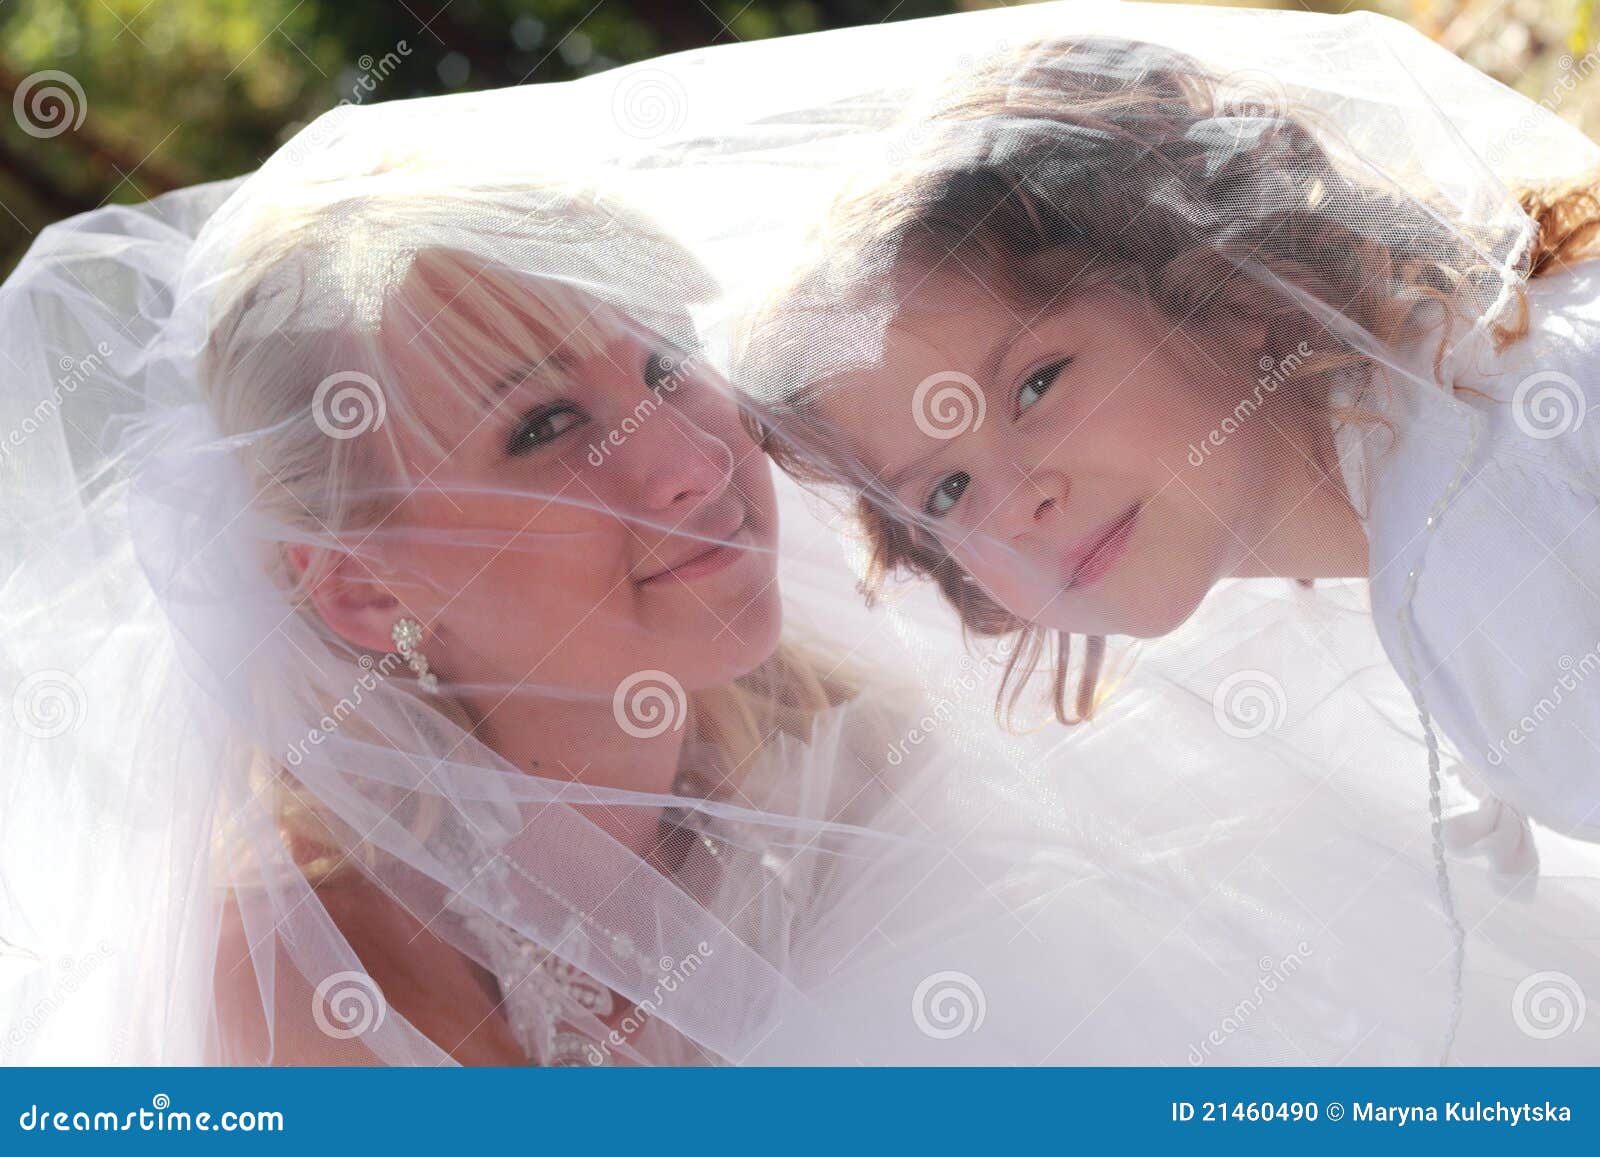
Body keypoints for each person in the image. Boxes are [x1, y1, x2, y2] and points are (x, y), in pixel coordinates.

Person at [4, 2, 1600, 1069]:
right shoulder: (314, 982)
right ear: (360, 592)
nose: (691, 460)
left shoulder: (848, 746)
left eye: (663, 364)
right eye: (543, 429)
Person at [745, 30, 1600, 853]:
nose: (1017, 503)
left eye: (1036, 385)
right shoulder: (1464, 395)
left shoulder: (1470, 556)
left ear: (1219, 280)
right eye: (946, 490)